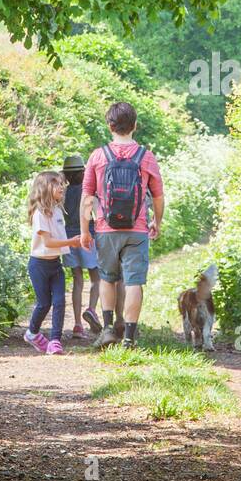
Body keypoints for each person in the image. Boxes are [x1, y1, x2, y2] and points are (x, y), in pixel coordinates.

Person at [80, 101, 163, 349]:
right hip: (136, 230)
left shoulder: (98, 156)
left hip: (106, 229)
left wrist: (85, 229)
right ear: (135, 126)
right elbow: (158, 196)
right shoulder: (146, 157)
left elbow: (88, 196)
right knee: (134, 281)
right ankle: (129, 338)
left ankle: (106, 330)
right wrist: (156, 221)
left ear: (109, 126)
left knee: (107, 278)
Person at [24, 170, 82, 355]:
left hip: (55, 264)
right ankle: (32, 332)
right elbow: (48, 242)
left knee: (59, 302)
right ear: (45, 188)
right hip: (39, 265)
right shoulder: (39, 214)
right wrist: (72, 242)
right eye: (56, 184)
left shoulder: (57, 211)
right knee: (44, 303)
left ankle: (55, 341)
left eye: (62, 183)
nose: (62, 187)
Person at [60, 152, 100, 338]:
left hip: (67, 237)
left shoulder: (62, 193)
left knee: (77, 280)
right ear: (82, 173)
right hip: (87, 236)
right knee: (96, 277)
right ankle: (91, 309)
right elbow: (97, 216)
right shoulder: (88, 193)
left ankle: (77, 325)